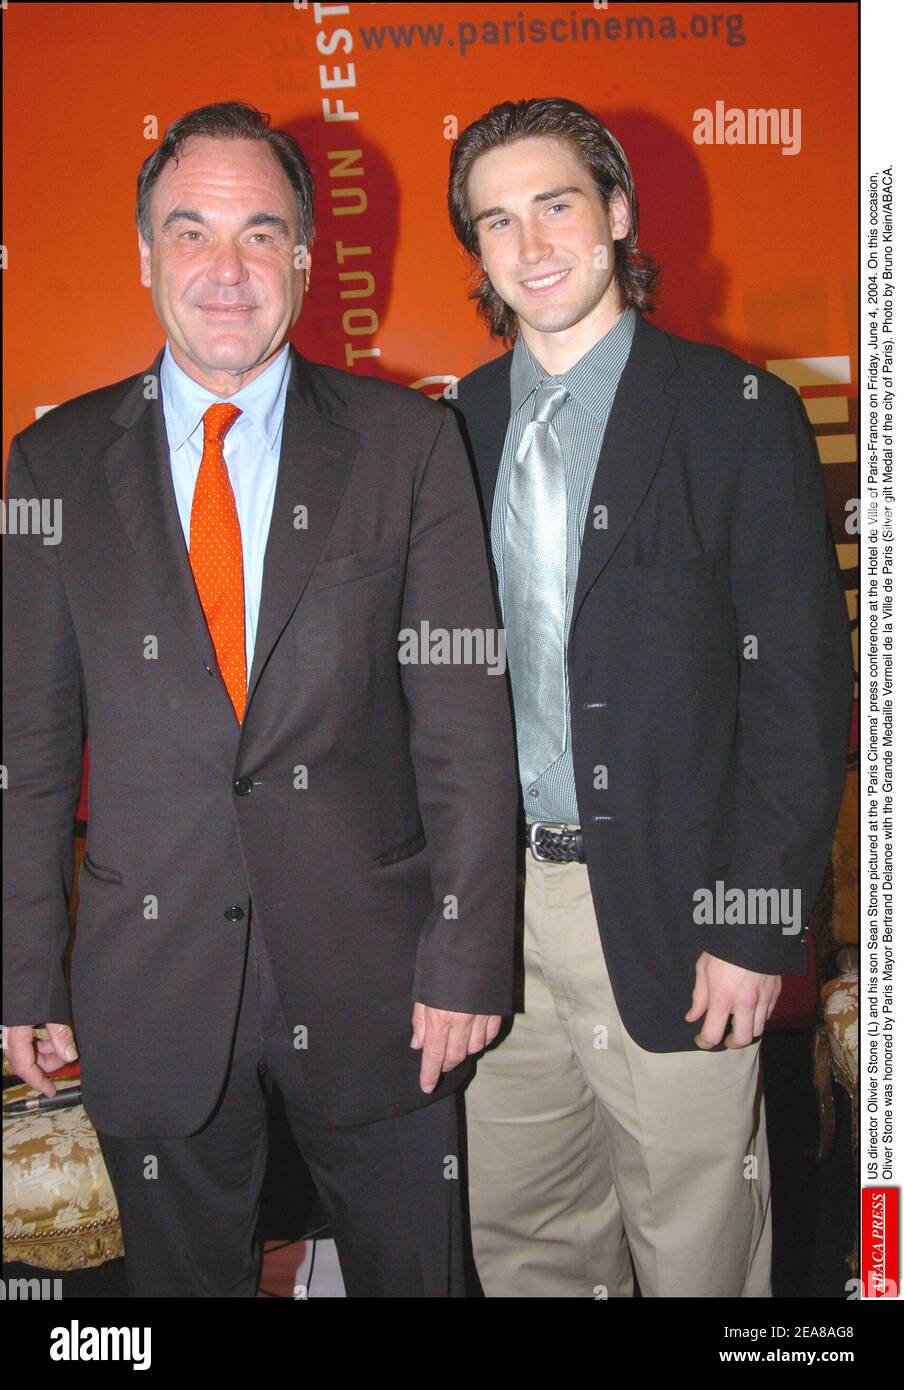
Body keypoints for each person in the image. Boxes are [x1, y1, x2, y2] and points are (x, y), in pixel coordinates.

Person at [2, 100, 518, 1297]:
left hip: (384, 979)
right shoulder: (52, 465)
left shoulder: (408, 444)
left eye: (259, 234)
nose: (224, 271)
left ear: (302, 258)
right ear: (144, 255)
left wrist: (465, 956)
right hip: (150, 977)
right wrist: (25, 967)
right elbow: (29, 742)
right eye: (191, 232)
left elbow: (462, 730)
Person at [446, 96, 853, 1297]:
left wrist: (749, 922)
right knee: (525, 1244)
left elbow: (795, 688)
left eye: (556, 205)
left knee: (698, 1250)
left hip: (681, 909)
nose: (529, 245)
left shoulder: (739, 414)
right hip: (496, 916)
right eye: (496, 221)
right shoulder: (448, 429)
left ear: (618, 214)